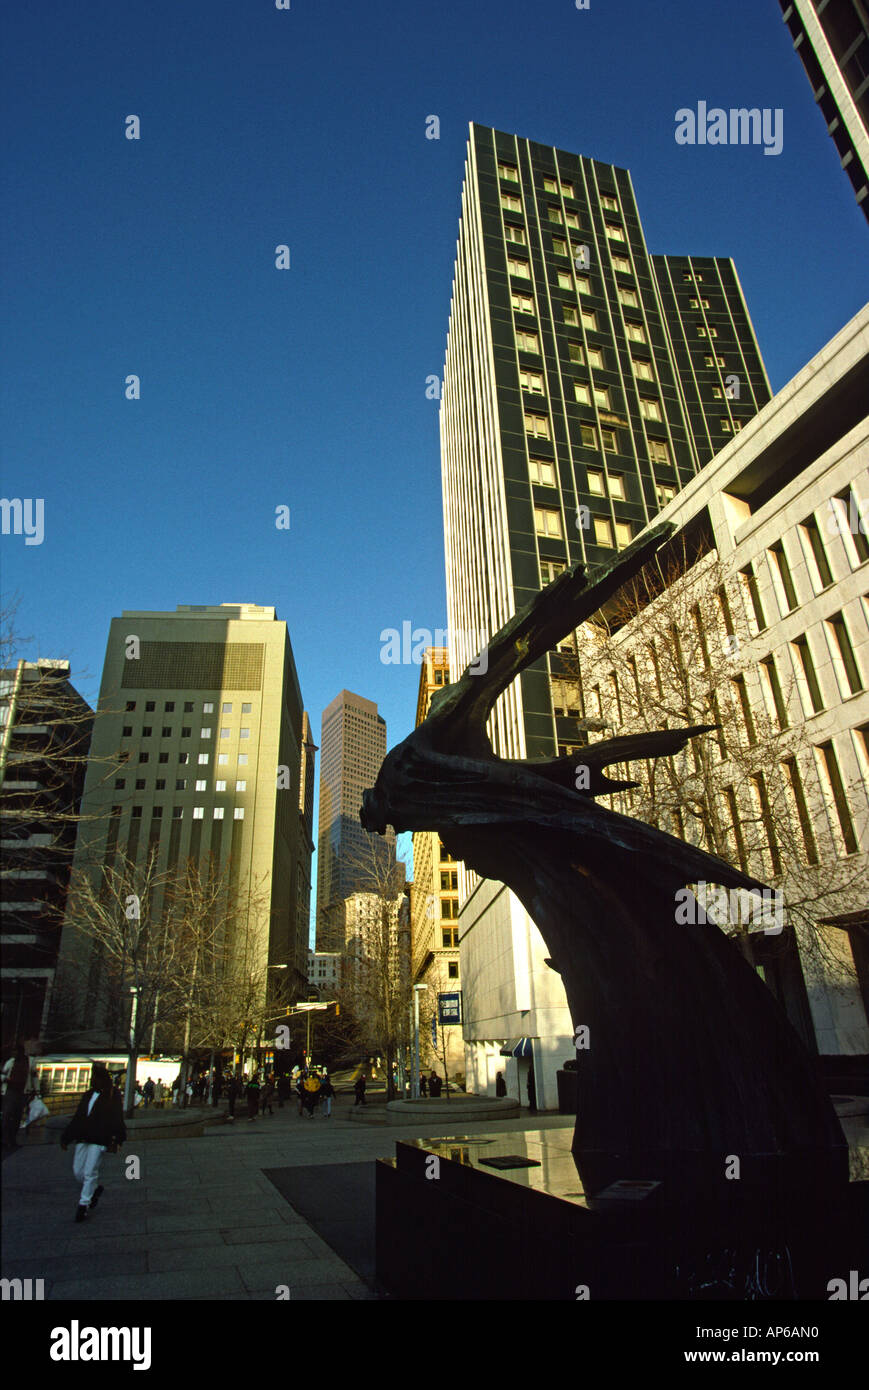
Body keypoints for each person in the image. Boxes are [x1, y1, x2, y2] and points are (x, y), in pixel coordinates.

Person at [60, 1065, 126, 1222]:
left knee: (90, 1171)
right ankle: (94, 1189)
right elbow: (78, 1117)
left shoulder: (112, 1095)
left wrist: (118, 1137)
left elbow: (117, 1117)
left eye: (94, 1077)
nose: (91, 1080)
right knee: (78, 1172)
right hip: (83, 1137)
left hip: (99, 1138)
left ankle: (83, 1204)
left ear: (101, 1079)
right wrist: (66, 1137)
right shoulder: (88, 1095)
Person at [1, 1044, 34, 1154]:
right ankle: (5, 1139)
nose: (13, 1054)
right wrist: (5, 1079)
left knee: (16, 1116)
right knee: (7, 1115)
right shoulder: (11, 1062)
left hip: (22, 1092)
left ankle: (11, 1139)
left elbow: (34, 1076)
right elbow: (3, 1074)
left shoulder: (30, 1061)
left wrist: (36, 1090)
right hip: (11, 1091)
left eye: (15, 1052)